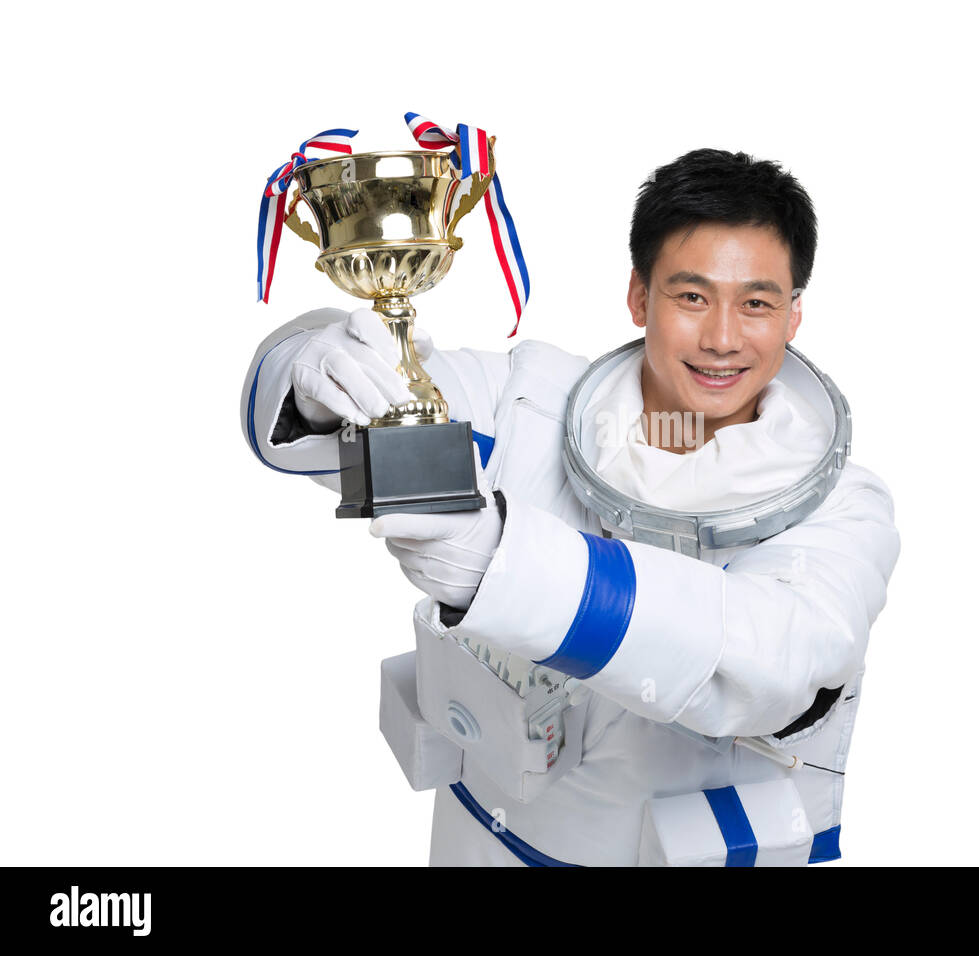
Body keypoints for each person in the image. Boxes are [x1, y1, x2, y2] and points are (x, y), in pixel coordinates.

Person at [239, 148, 901, 866]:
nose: (722, 338)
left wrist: (503, 566)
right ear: (639, 297)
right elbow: (343, 417)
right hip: (482, 842)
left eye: (757, 303)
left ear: (794, 314)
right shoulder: (531, 403)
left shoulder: (842, 508)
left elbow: (770, 664)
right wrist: (316, 376)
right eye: (691, 297)